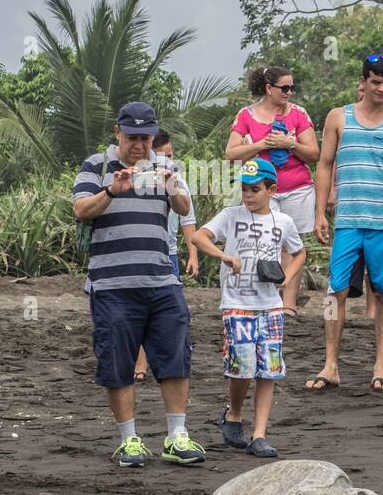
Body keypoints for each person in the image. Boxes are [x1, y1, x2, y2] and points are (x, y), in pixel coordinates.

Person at [73, 102, 204, 467]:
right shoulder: (95, 166)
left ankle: (177, 436)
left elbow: (183, 208)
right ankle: (129, 440)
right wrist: (112, 190)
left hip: (162, 279)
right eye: (131, 137)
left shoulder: (166, 165)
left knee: (176, 354)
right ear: (118, 133)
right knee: (118, 361)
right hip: (112, 283)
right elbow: (81, 210)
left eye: (144, 138)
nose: (138, 145)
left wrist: (171, 184)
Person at [307, 51, 383, 394]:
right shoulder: (339, 117)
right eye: (375, 82)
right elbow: (324, 165)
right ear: (364, 82)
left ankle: (380, 365)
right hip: (348, 220)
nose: (381, 88)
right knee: (334, 291)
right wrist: (319, 211)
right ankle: (330, 364)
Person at [193, 159, 306, 458]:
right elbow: (198, 236)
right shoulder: (231, 216)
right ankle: (234, 413)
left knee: (268, 370)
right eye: (244, 189)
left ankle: (259, 434)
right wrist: (224, 256)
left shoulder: (283, 222)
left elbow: (298, 251)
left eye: (255, 190)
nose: (248, 195)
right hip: (237, 303)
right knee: (241, 367)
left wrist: (287, 278)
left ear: (272, 189)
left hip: (270, 304)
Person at [226, 66, 320, 315]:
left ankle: (288, 303)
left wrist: (290, 143)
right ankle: (266, 298)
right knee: (265, 241)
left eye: (292, 88)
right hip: (262, 189)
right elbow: (231, 154)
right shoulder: (247, 115)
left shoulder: (298, 114)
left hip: (297, 188)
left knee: (292, 244)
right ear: (269, 89)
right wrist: (261, 144)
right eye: (284, 88)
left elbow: (314, 153)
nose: (290, 92)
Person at [133, 129, 197, 383]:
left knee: (173, 309)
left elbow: (187, 218)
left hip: (168, 253)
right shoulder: (137, 179)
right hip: (143, 253)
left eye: (172, 155)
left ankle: (176, 353)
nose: (170, 161)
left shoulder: (176, 177)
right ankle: (140, 362)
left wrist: (192, 253)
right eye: (165, 156)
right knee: (137, 307)